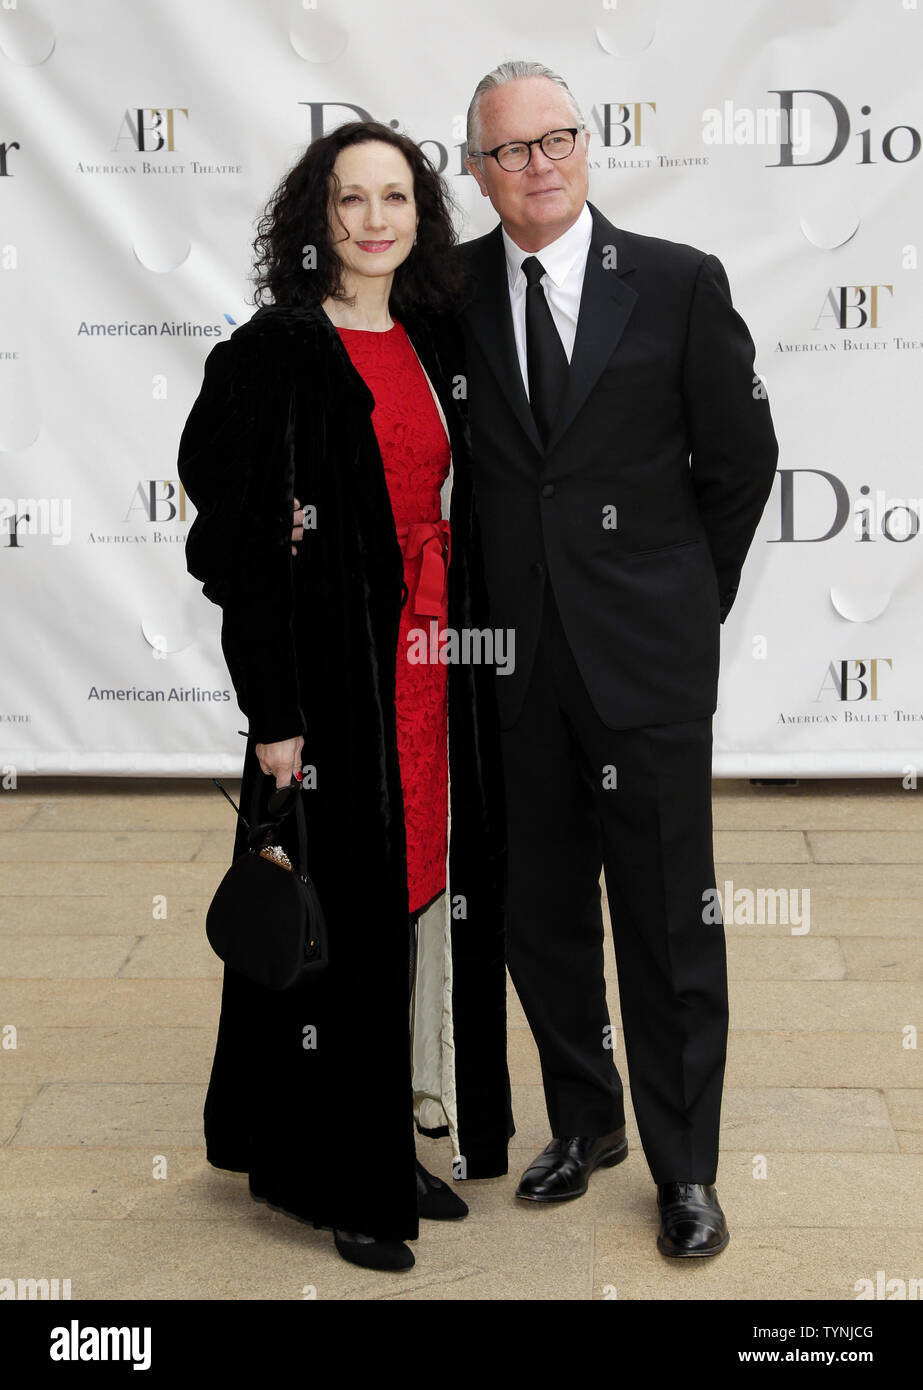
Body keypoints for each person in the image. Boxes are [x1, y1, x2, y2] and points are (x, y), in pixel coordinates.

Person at [176, 121, 512, 1273]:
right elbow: (234, 547)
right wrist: (273, 712)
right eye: (349, 200)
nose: (373, 220)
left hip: (426, 673)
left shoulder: (428, 334)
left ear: (421, 217)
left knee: (403, 906)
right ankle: (339, 1177)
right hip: (330, 690)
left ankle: (374, 1134)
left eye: (396, 198)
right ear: (315, 220)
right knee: (340, 929)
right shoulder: (275, 350)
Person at [458, 61, 779, 1256]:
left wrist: (684, 602)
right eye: (507, 150)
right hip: (514, 665)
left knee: (665, 918)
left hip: (642, 664)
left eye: (556, 140)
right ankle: (583, 1121)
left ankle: (685, 1165)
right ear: (477, 171)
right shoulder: (454, 294)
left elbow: (740, 463)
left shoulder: (676, 283)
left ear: (585, 148)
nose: (536, 165)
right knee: (538, 916)